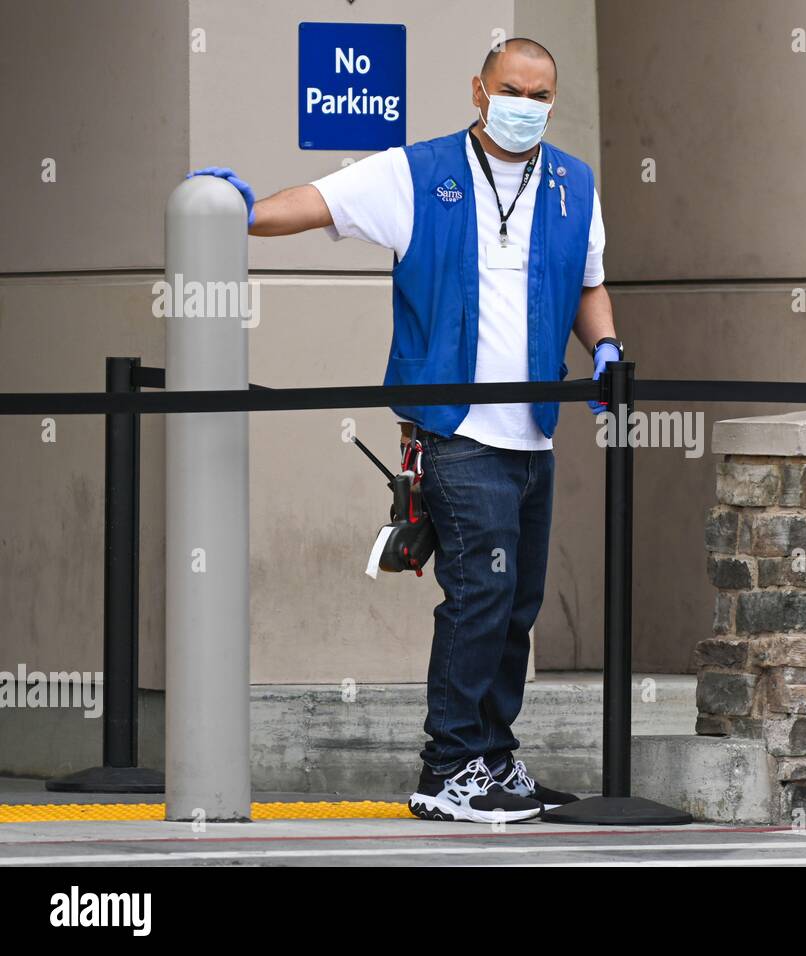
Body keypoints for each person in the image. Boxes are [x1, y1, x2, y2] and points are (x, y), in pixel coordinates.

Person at [189, 37, 622, 824]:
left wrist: (607, 348)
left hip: (532, 435)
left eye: (540, 94)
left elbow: (589, 282)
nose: (525, 104)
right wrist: (238, 214)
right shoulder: (417, 172)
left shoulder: (573, 184)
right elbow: (318, 202)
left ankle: (493, 758)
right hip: (455, 435)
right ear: (479, 90)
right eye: (511, 88)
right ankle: (447, 769)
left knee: (516, 606)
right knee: (479, 596)